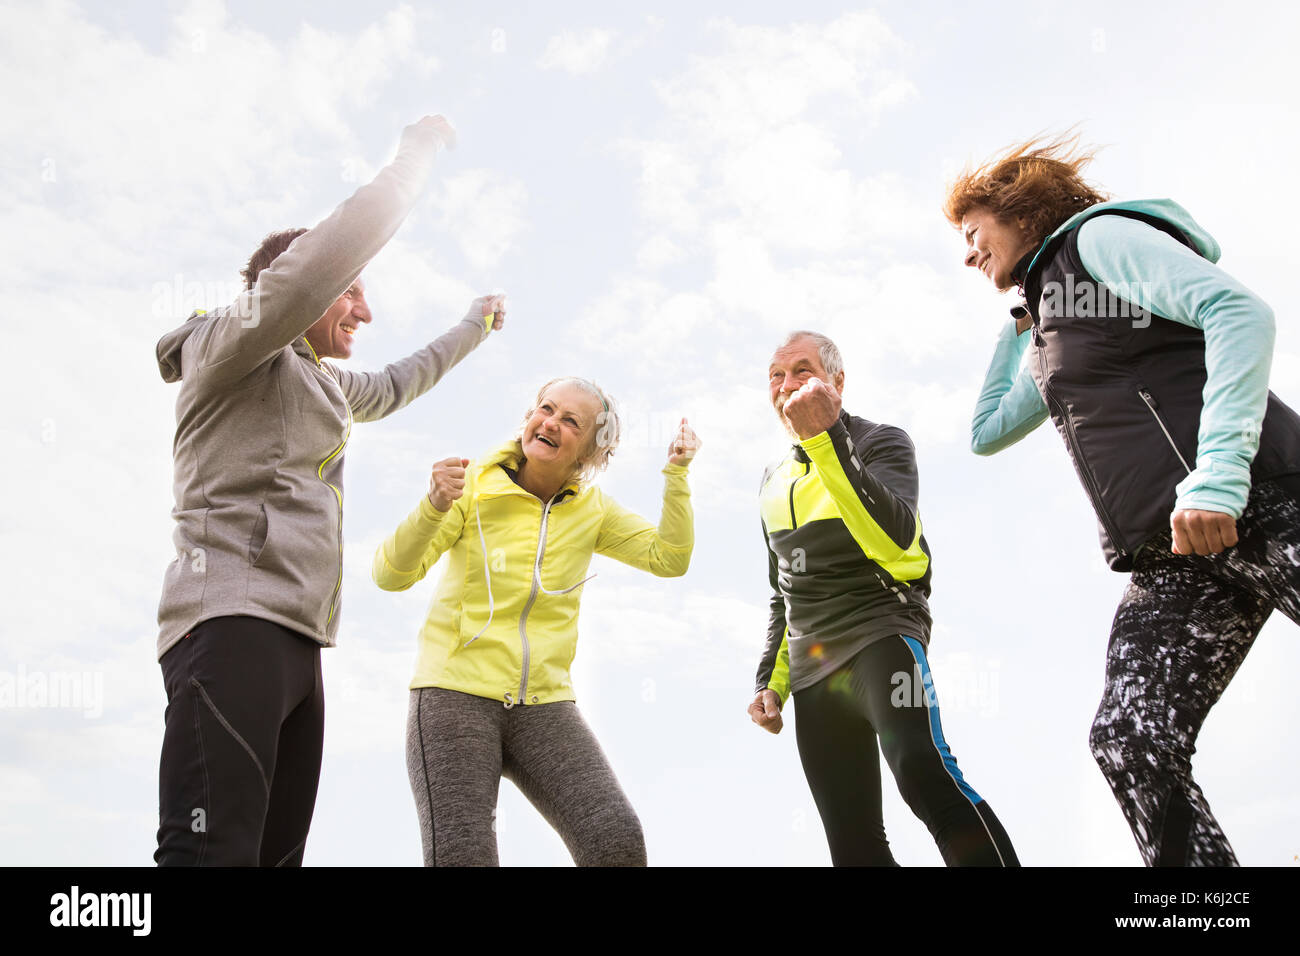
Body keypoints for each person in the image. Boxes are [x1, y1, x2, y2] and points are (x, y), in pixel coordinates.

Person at [152, 115, 506, 866]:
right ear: (296, 284)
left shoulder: (319, 380)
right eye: (349, 291)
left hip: (299, 643)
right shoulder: (235, 347)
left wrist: (473, 326)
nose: (365, 311)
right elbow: (344, 241)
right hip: (230, 620)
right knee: (211, 853)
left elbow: (391, 384)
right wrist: (418, 150)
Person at [946, 134, 1300, 865]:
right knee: (1129, 737)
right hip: (1175, 547)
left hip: (1257, 495)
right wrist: (1021, 327)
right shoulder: (1048, 321)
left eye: (973, 231)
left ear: (1022, 213)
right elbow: (985, 431)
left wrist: (1218, 476)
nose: (968, 252)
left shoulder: (1100, 241)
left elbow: (1240, 313)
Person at [373, 378, 699, 866]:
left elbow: (669, 557)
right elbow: (391, 575)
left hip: (543, 705)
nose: (551, 423)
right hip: (454, 697)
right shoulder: (471, 488)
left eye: (571, 422)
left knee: (615, 841)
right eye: (546, 409)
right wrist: (434, 505)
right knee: (463, 856)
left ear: (591, 452)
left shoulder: (594, 512)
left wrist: (676, 474)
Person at [748, 331, 1019, 867]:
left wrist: (826, 442)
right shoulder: (772, 480)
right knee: (852, 844)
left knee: (921, 770)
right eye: (776, 376)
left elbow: (892, 537)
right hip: (812, 667)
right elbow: (784, 593)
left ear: (837, 382)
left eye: (802, 370)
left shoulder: (882, 441)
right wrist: (769, 680)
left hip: (880, 632)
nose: (787, 385)